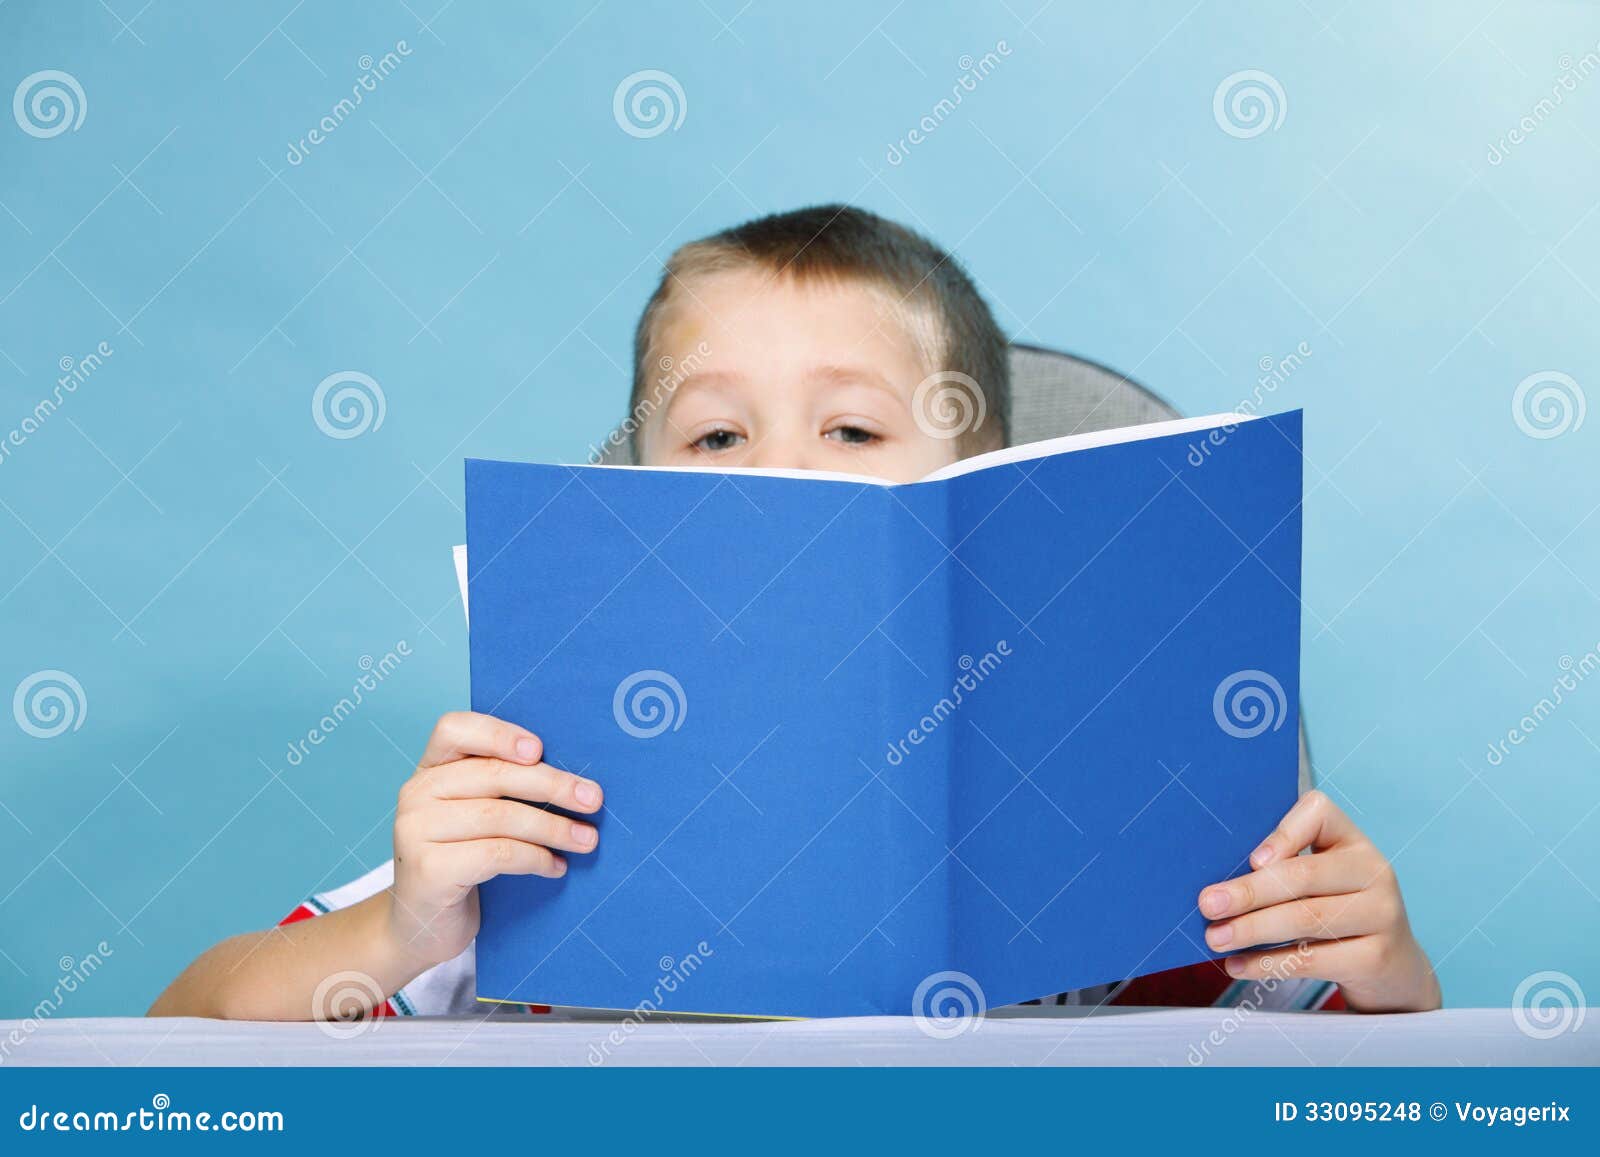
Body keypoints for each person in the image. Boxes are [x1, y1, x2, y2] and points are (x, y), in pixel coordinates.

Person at [150, 205, 1441, 1021]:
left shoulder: (1118, 827)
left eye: (855, 427)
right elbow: (177, 1035)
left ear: (984, 497)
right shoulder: (534, 819)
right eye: (717, 433)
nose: (782, 474)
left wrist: (1391, 974)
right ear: (636, 491)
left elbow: (1349, 1096)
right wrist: (400, 927)